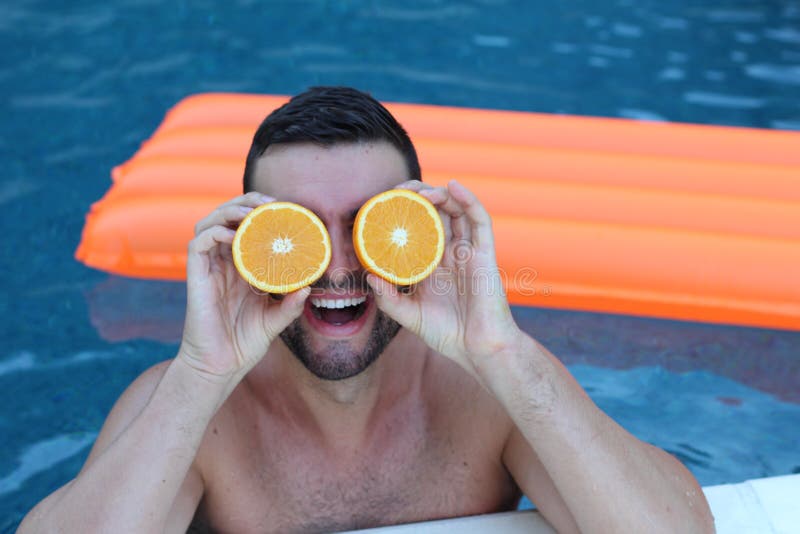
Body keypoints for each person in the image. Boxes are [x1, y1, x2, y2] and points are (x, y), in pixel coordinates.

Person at [20, 87, 714, 533]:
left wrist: (505, 353)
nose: (337, 264)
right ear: (248, 245)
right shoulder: (190, 412)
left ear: (419, 231)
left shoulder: (490, 391)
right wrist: (200, 373)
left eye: (367, 224)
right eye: (299, 230)